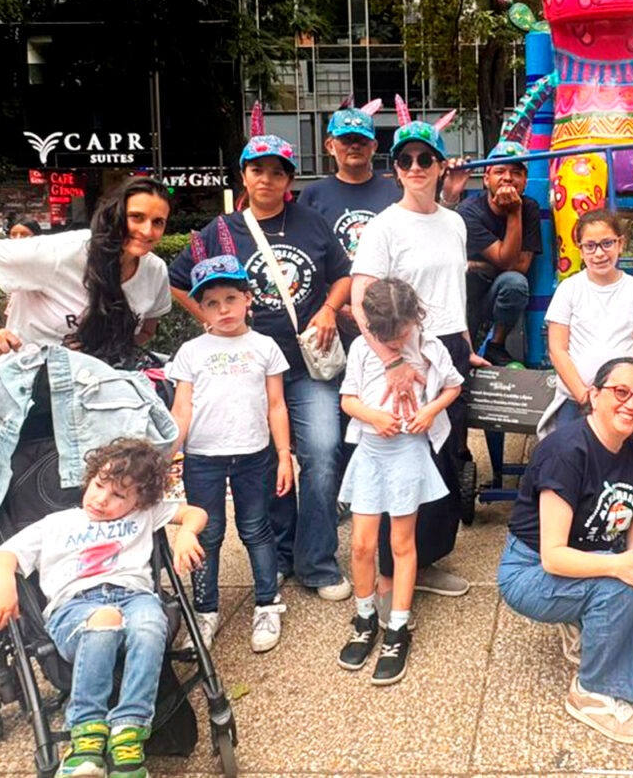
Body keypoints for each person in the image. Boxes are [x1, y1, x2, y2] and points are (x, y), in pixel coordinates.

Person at [167, 132, 353, 603]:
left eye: (277, 171)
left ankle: (317, 561)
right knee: (264, 462)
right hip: (245, 370)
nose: (266, 179)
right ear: (244, 176)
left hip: (304, 365)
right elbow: (175, 280)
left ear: (289, 179)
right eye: (257, 170)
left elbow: (343, 275)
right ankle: (282, 552)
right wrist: (212, 321)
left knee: (322, 453)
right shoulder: (221, 231)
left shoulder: (311, 223)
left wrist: (329, 308)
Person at [0, 438, 207, 778]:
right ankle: (86, 736)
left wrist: (187, 534)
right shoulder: (57, 524)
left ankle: (128, 731)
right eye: (99, 485)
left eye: (118, 496)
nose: (102, 499)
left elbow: (194, 512)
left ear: (139, 501)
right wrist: (3, 587)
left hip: (135, 597)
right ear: (89, 479)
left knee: (150, 624)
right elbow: (5, 556)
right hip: (75, 606)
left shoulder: (144, 515)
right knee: (105, 618)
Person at [498, 358, 633, 745]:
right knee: (619, 585)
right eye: (620, 392)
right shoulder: (566, 451)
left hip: (593, 560)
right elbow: (552, 556)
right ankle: (592, 691)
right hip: (531, 572)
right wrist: (622, 568)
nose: (631, 404)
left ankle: (591, 627)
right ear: (593, 395)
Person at [349, 108, 476, 613]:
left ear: (441, 165)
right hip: (403, 348)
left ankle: (424, 560)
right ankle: (386, 569)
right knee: (400, 455)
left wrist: (467, 344)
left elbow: (453, 289)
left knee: (445, 456)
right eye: (406, 159)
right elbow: (362, 299)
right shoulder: (384, 226)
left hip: (448, 347)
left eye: (426, 158)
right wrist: (390, 361)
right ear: (396, 169)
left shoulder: (454, 222)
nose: (417, 167)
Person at [166, 252, 294, 653]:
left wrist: (284, 454)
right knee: (207, 531)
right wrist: (170, 452)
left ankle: (267, 601)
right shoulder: (191, 351)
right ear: (200, 308)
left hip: (254, 455)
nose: (223, 310)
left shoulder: (265, 346)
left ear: (247, 299)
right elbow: (182, 407)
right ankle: (205, 611)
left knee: (256, 529)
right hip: (203, 457)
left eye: (230, 299)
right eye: (212, 303)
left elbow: (277, 404)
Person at [337, 278, 464, 685]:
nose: (393, 340)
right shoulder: (362, 348)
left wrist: (429, 413)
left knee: (401, 542)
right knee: (360, 543)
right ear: (371, 327)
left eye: (400, 331)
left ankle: (398, 625)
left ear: (414, 318)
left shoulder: (428, 346)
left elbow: (454, 385)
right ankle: (364, 616)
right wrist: (373, 417)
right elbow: (348, 399)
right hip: (372, 452)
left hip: (408, 451)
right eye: (384, 334)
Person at [0, 177, 173, 364]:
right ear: (114, 214)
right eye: (136, 217)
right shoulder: (61, 252)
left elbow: (147, 329)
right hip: (34, 385)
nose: (147, 231)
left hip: (107, 385)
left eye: (158, 222)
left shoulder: (155, 270)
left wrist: (110, 347)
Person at [542, 209, 633, 434]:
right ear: (581, 249)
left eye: (607, 243)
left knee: (617, 463)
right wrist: (585, 396)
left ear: (620, 244)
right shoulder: (569, 289)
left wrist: (631, 391)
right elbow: (557, 349)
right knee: (571, 459)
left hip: (622, 403)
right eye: (590, 246)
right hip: (575, 401)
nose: (599, 253)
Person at [459, 140, 542, 366]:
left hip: (501, 289)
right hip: (468, 295)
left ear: (525, 181)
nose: (507, 178)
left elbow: (519, 266)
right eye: (500, 171)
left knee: (515, 282)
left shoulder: (529, 208)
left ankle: (496, 344)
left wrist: (515, 212)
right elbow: (505, 261)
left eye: (516, 172)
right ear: (486, 179)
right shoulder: (469, 210)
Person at [297, 98, 396, 264]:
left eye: (362, 140)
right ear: (330, 146)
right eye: (346, 140)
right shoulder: (312, 194)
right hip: (332, 288)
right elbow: (302, 246)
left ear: (374, 146)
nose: (355, 146)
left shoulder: (395, 191)